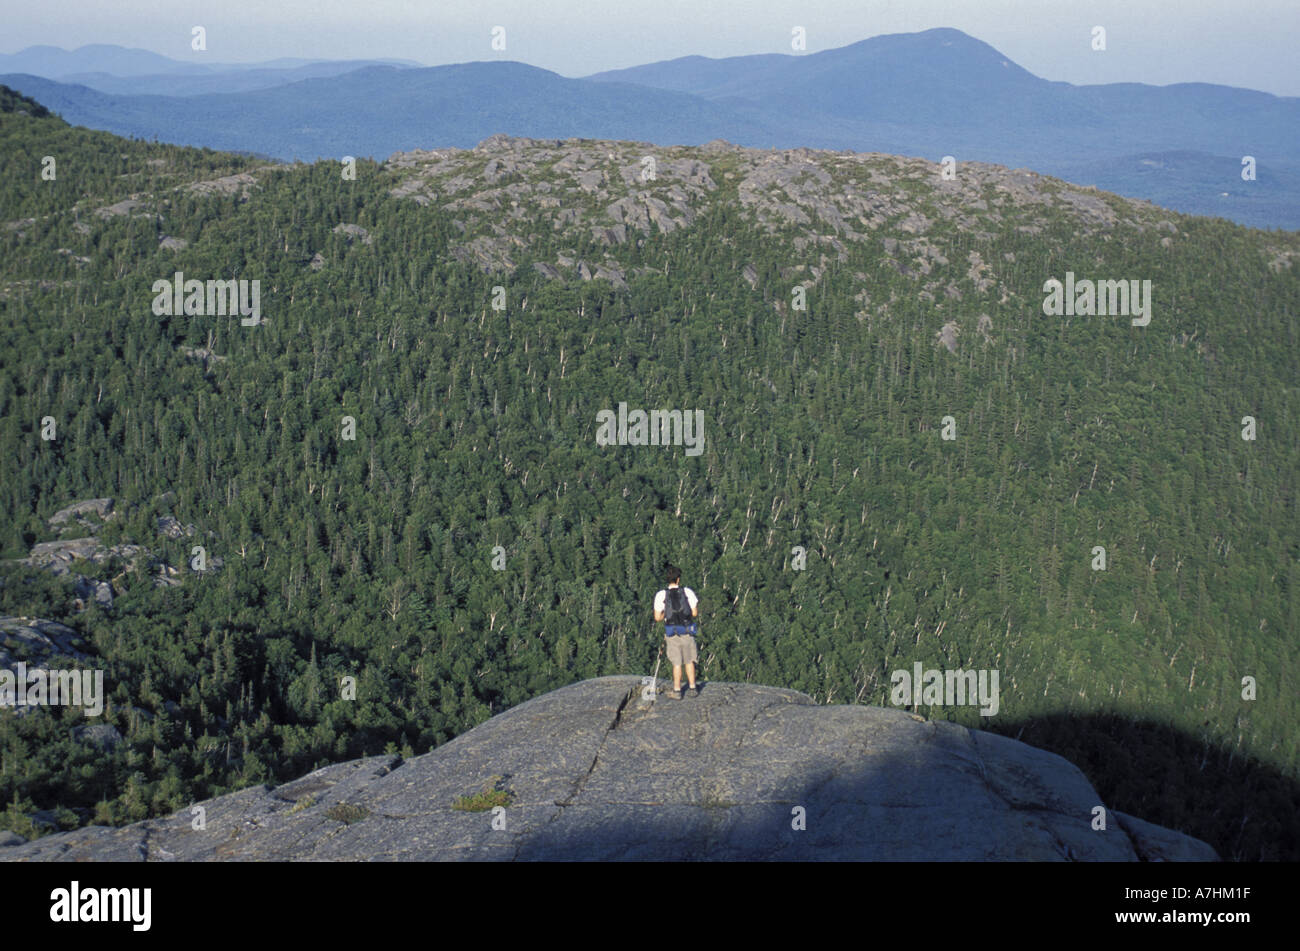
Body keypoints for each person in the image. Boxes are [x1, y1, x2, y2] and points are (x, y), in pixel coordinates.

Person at [653, 565, 700, 699]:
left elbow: (657, 617)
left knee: (677, 663)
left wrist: (665, 615)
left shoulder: (661, 595)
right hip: (687, 630)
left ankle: (677, 691)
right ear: (678, 579)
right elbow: (694, 613)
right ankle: (692, 688)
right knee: (689, 660)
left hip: (671, 632)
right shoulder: (687, 592)